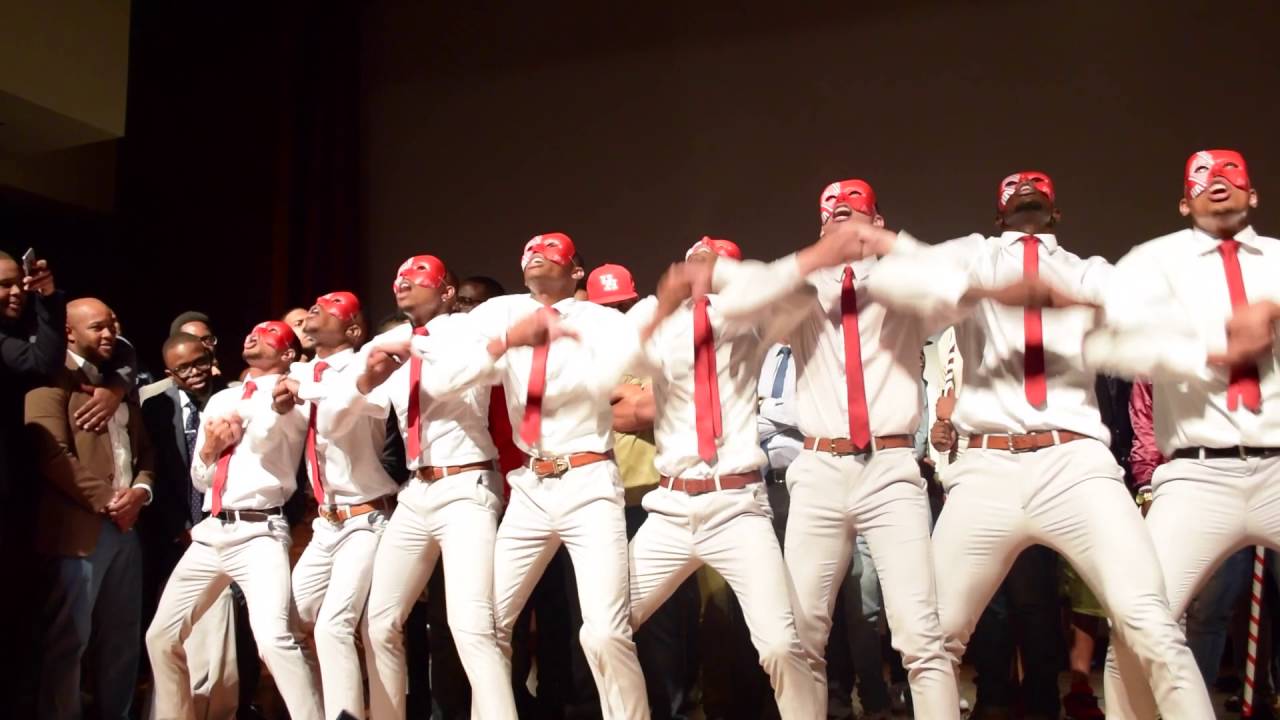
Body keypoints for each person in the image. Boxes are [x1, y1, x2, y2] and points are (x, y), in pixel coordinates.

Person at [864, 170, 1212, 718]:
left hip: (1074, 461)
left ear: (1056, 213)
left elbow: (1151, 317)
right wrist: (981, 290)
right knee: (932, 638)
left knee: (1151, 620)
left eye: (1038, 191)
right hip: (986, 469)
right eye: (1014, 192)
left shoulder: (1089, 271)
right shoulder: (974, 259)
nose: (1026, 194)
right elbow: (894, 282)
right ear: (998, 216)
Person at [707, 180, 960, 718]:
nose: (841, 217)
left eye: (855, 211)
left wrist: (883, 243)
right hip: (818, 467)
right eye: (831, 213)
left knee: (920, 635)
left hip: (891, 467)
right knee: (800, 637)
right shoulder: (802, 289)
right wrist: (820, 256)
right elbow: (739, 303)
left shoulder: (902, 285)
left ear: (877, 218)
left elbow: (953, 281)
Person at [418, 233, 650, 719]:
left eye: (550, 249)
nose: (535, 253)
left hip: (588, 480)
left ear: (577, 271)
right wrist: (502, 344)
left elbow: (647, 377)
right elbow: (442, 373)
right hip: (530, 486)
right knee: (486, 626)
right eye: (528, 249)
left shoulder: (605, 321)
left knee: (605, 631)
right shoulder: (499, 313)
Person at [1086, 149, 1280, 719]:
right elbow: (1105, 344)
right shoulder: (1153, 263)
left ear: (1254, 196)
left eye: (1231, 173)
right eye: (1202, 175)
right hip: (1195, 475)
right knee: (1139, 622)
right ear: (1182, 201)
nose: (1216, 180)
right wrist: (1208, 350)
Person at [341, 255, 516, 720]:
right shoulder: (392, 342)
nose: (402, 281)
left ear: (445, 293)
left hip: (465, 484)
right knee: (379, 622)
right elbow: (364, 404)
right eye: (398, 275)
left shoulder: (467, 328)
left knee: (472, 626)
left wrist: (415, 346)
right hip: (416, 492)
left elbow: (479, 370)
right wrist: (365, 378)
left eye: (418, 275)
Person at [145, 321, 322, 720]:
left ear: (288, 354)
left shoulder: (291, 393)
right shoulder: (222, 398)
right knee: (160, 636)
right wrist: (209, 447)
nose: (254, 334)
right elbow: (201, 478)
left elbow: (273, 427)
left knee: (274, 640)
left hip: (259, 531)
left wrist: (267, 411)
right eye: (253, 330)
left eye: (270, 332)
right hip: (213, 531)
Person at [27, 297, 156, 720]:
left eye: (112, 324)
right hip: (80, 532)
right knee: (70, 642)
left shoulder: (118, 382)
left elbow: (145, 452)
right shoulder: (50, 379)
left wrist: (140, 490)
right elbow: (51, 456)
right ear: (69, 332)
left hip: (127, 526)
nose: (109, 334)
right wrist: (107, 502)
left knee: (122, 639)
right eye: (97, 327)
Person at [276, 291, 399, 719]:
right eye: (311, 305)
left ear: (352, 329)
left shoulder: (365, 363)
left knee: (334, 625)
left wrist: (302, 387)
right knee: (288, 618)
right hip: (325, 521)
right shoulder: (300, 371)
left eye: (328, 308)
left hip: (365, 515)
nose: (314, 309)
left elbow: (360, 398)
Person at [140, 333, 241, 720]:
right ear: (170, 373)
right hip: (175, 537)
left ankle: (220, 710)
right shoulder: (154, 408)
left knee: (221, 639)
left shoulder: (233, 398)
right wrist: (178, 527)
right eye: (183, 368)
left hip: (227, 531)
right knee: (168, 637)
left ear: (212, 356)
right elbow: (158, 472)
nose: (195, 373)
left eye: (200, 362)